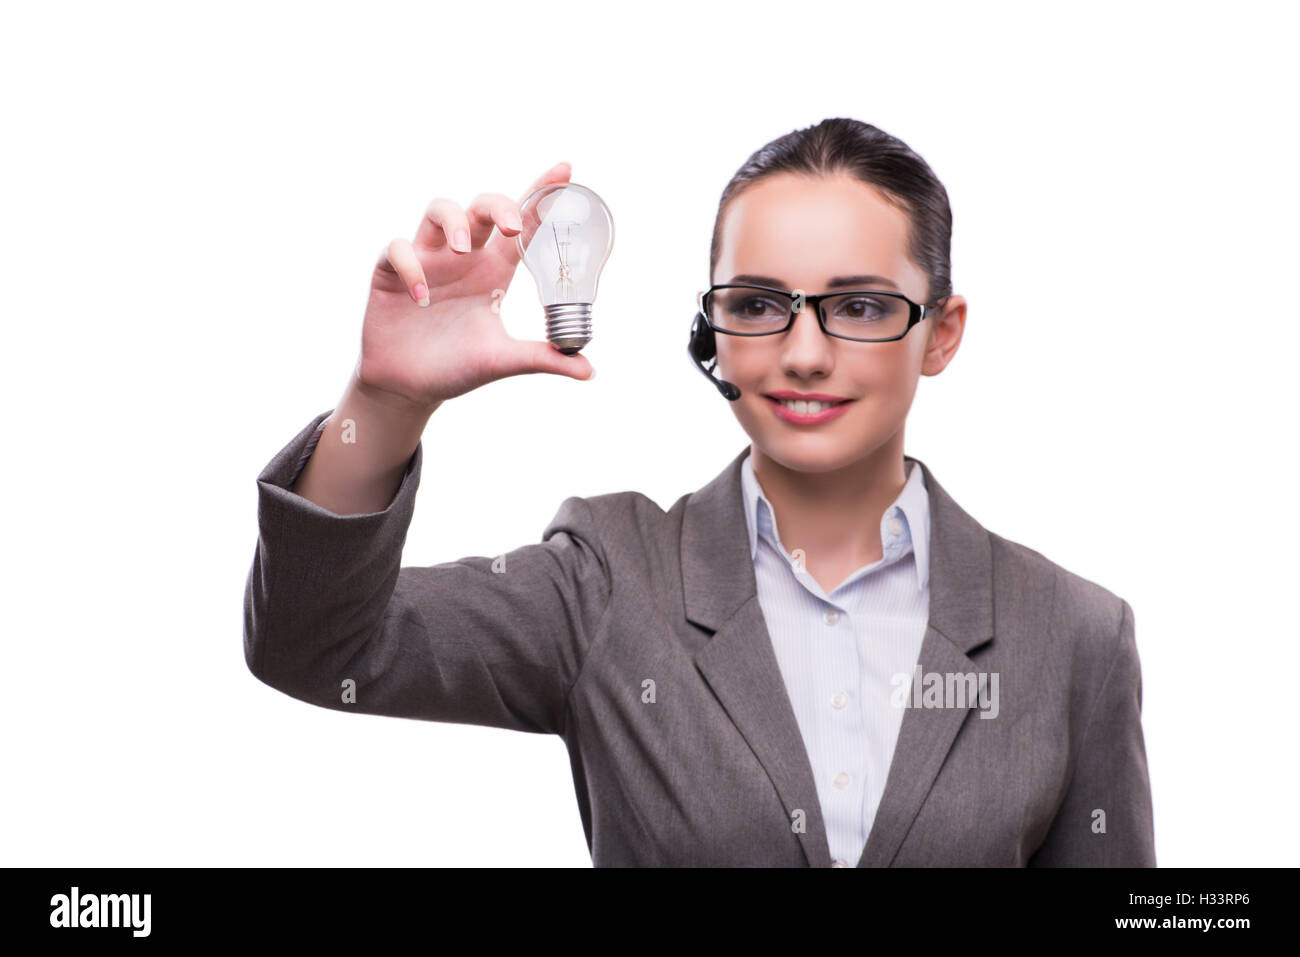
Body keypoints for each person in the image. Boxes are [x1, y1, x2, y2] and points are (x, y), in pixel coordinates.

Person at [243, 117, 1156, 867]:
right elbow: (318, 645)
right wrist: (386, 404)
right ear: (711, 325)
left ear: (942, 333)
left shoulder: (1072, 637)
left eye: (862, 307)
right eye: (758, 303)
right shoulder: (609, 584)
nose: (803, 352)